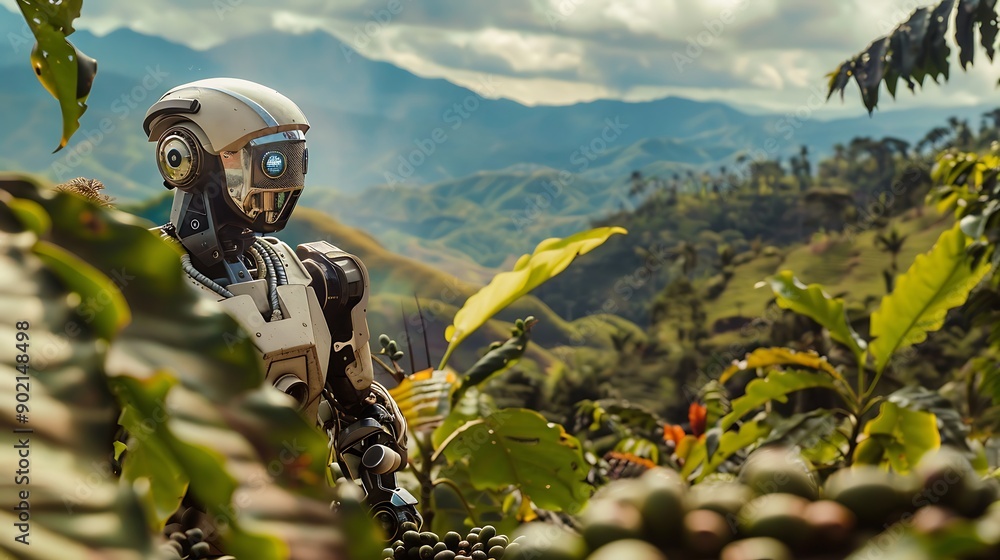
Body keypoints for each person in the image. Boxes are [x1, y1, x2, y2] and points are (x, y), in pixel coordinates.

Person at [142, 78, 420, 540]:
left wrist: (378, 484)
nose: (280, 178)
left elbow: (358, 408)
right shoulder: (140, 286)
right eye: (263, 162)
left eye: (289, 162)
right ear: (185, 159)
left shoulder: (318, 275)